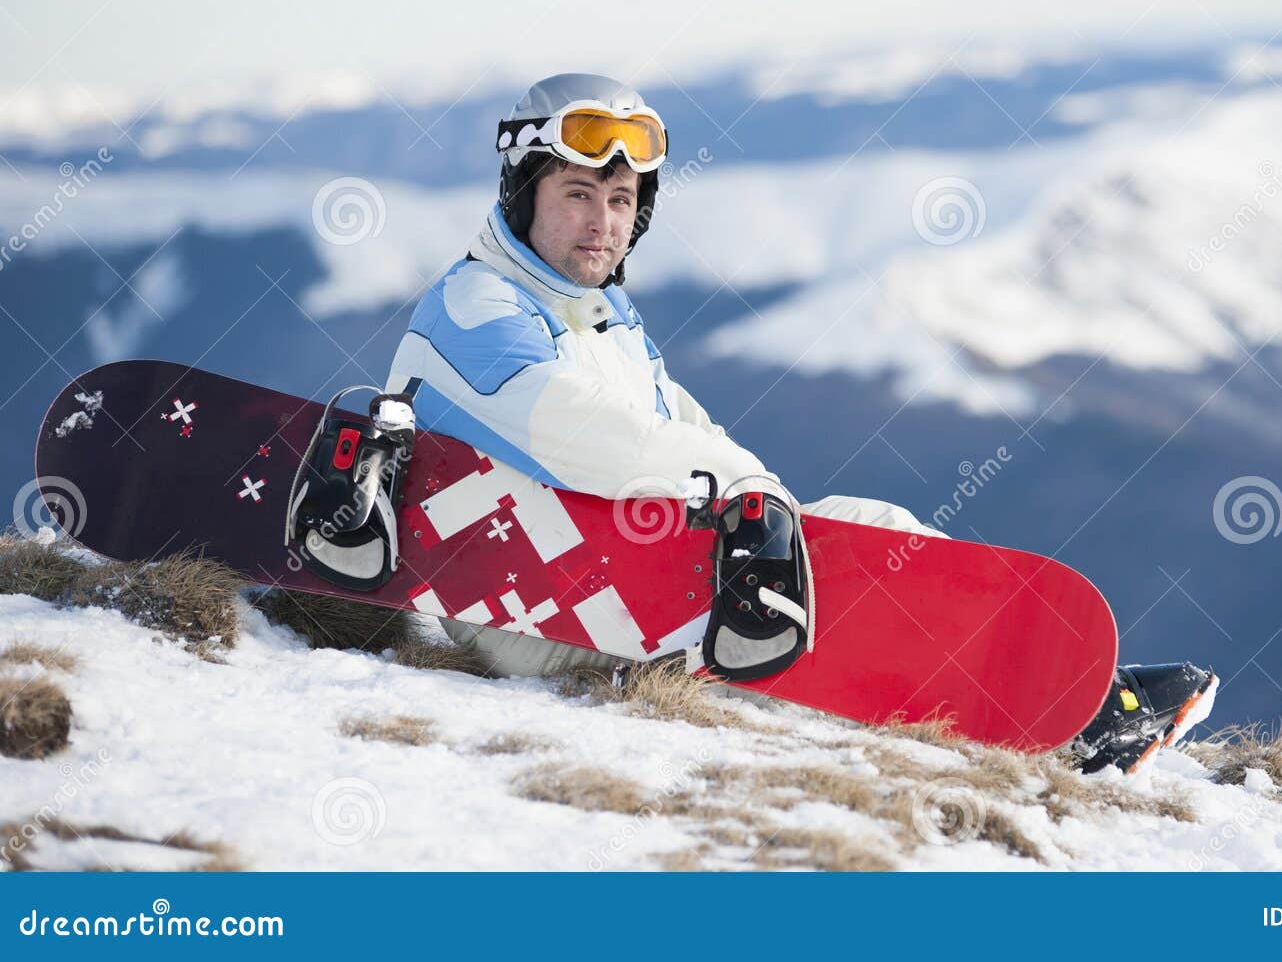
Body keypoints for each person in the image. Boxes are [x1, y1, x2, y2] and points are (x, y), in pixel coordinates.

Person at [385, 73, 1216, 772]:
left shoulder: (597, 314)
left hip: (595, 574)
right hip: (529, 608)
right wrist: (745, 491)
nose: (601, 222)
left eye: (618, 198)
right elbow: (570, 428)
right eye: (576, 195)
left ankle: (1057, 703)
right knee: (859, 564)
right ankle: (1072, 726)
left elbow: (678, 419)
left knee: (852, 541)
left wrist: (762, 501)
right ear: (523, 193)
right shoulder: (478, 306)